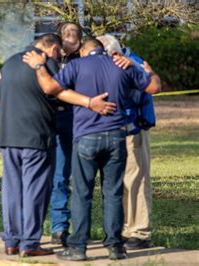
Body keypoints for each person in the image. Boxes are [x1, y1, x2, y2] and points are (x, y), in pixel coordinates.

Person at [23, 37, 161, 261]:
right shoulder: (122, 64)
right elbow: (154, 87)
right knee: (113, 193)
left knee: (82, 194)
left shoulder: (77, 65)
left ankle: (78, 247)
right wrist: (150, 71)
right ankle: (116, 247)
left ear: (84, 51)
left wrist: (38, 65)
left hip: (86, 137)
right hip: (117, 136)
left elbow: (50, 87)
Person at [0, 34, 116, 257]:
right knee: (35, 191)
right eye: (59, 52)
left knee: (11, 191)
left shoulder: (9, 63)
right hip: (37, 138)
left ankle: (11, 241)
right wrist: (89, 102)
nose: (60, 57)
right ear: (53, 48)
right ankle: (29, 243)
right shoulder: (45, 64)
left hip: (8, 137)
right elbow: (58, 91)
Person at [97, 34, 156, 250]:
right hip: (112, 131)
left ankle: (139, 232)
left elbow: (151, 86)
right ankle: (120, 230)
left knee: (136, 181)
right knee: (117, 183)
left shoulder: (134, 63)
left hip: (133, 130)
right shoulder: (116, 61)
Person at [49, 22, 82, 246]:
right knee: (43, 177)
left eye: (74, 38)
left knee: (62, 176)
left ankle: (60, 226)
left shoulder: (83, 61)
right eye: (66, 38)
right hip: (45, 122)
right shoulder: (46, 60)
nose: (69, 42)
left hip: (73, 121)